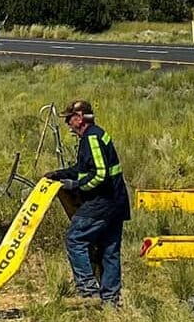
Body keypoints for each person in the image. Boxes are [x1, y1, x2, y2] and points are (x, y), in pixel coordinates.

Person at [45, 99, 131, 307]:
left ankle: (88, 291)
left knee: (75, 239)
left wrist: (75, 186)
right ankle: (110, 300)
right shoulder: (96, 134)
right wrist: (59, 174)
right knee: (109, 249)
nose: (67, 124)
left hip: (102, 201)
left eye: (69, 119)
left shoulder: (91, 138)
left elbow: (99, 174)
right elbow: (84, 167)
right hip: (116, 201)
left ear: (80, 117)